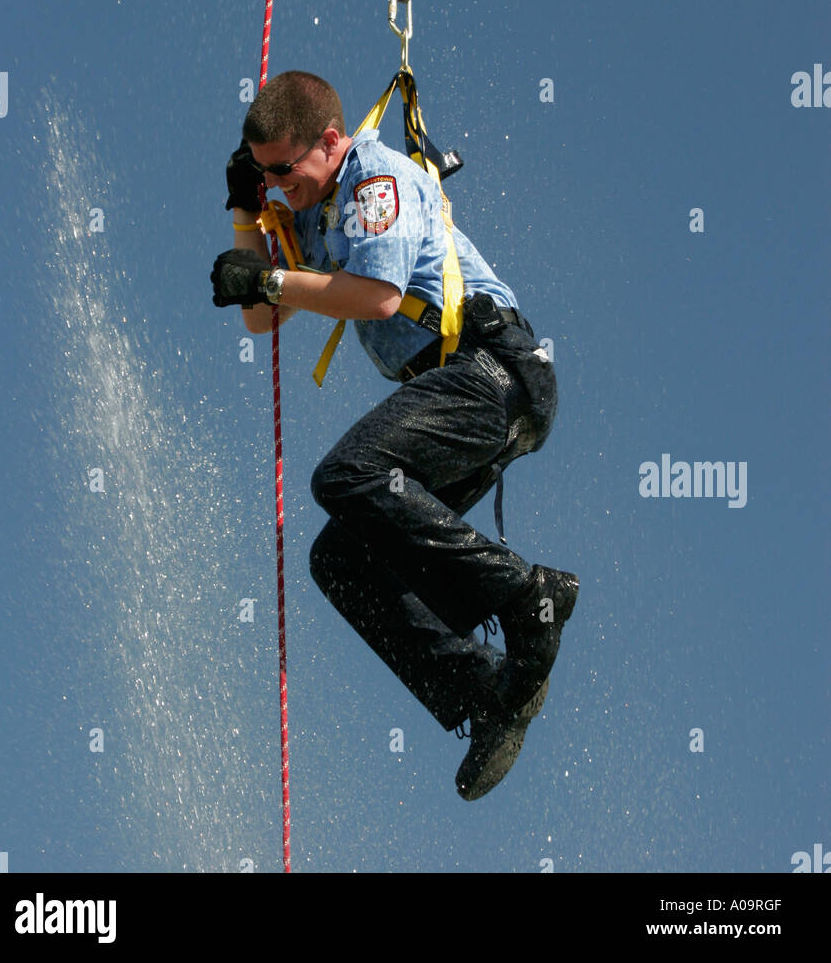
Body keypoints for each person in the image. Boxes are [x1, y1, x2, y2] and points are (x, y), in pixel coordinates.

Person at [210, 69, 578, 800]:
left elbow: (377, 298)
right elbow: (261, 316)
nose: (280, 185)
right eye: (265, 174)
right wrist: (245, 214)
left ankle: (527, 594)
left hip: (495, 370)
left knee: (344, 475)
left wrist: (271, 281)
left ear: (331, 142)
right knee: (340, 557)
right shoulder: (311, 216)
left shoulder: (374, 178)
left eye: (286, 169)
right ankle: (485, 693)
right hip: (459, 391)